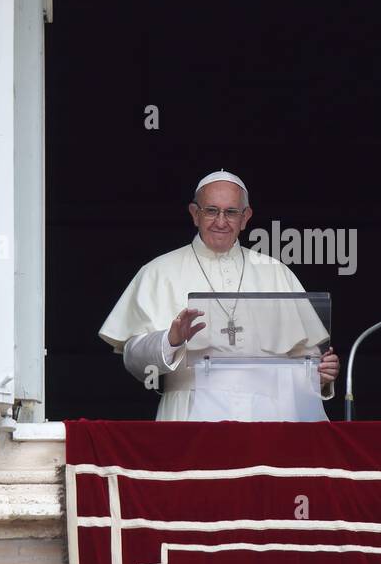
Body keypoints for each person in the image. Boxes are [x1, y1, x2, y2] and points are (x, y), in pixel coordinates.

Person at [99, 170, 341, 420]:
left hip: (268, 416)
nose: (221, 221)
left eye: (231, 212)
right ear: (195, 214)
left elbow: (306, 359)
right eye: (211, 211)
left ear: (245, 217)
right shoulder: (158, 271)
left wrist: (319, 374)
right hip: (189, 415)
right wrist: (170, 340)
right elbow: (133, 358)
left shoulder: (277, 272)